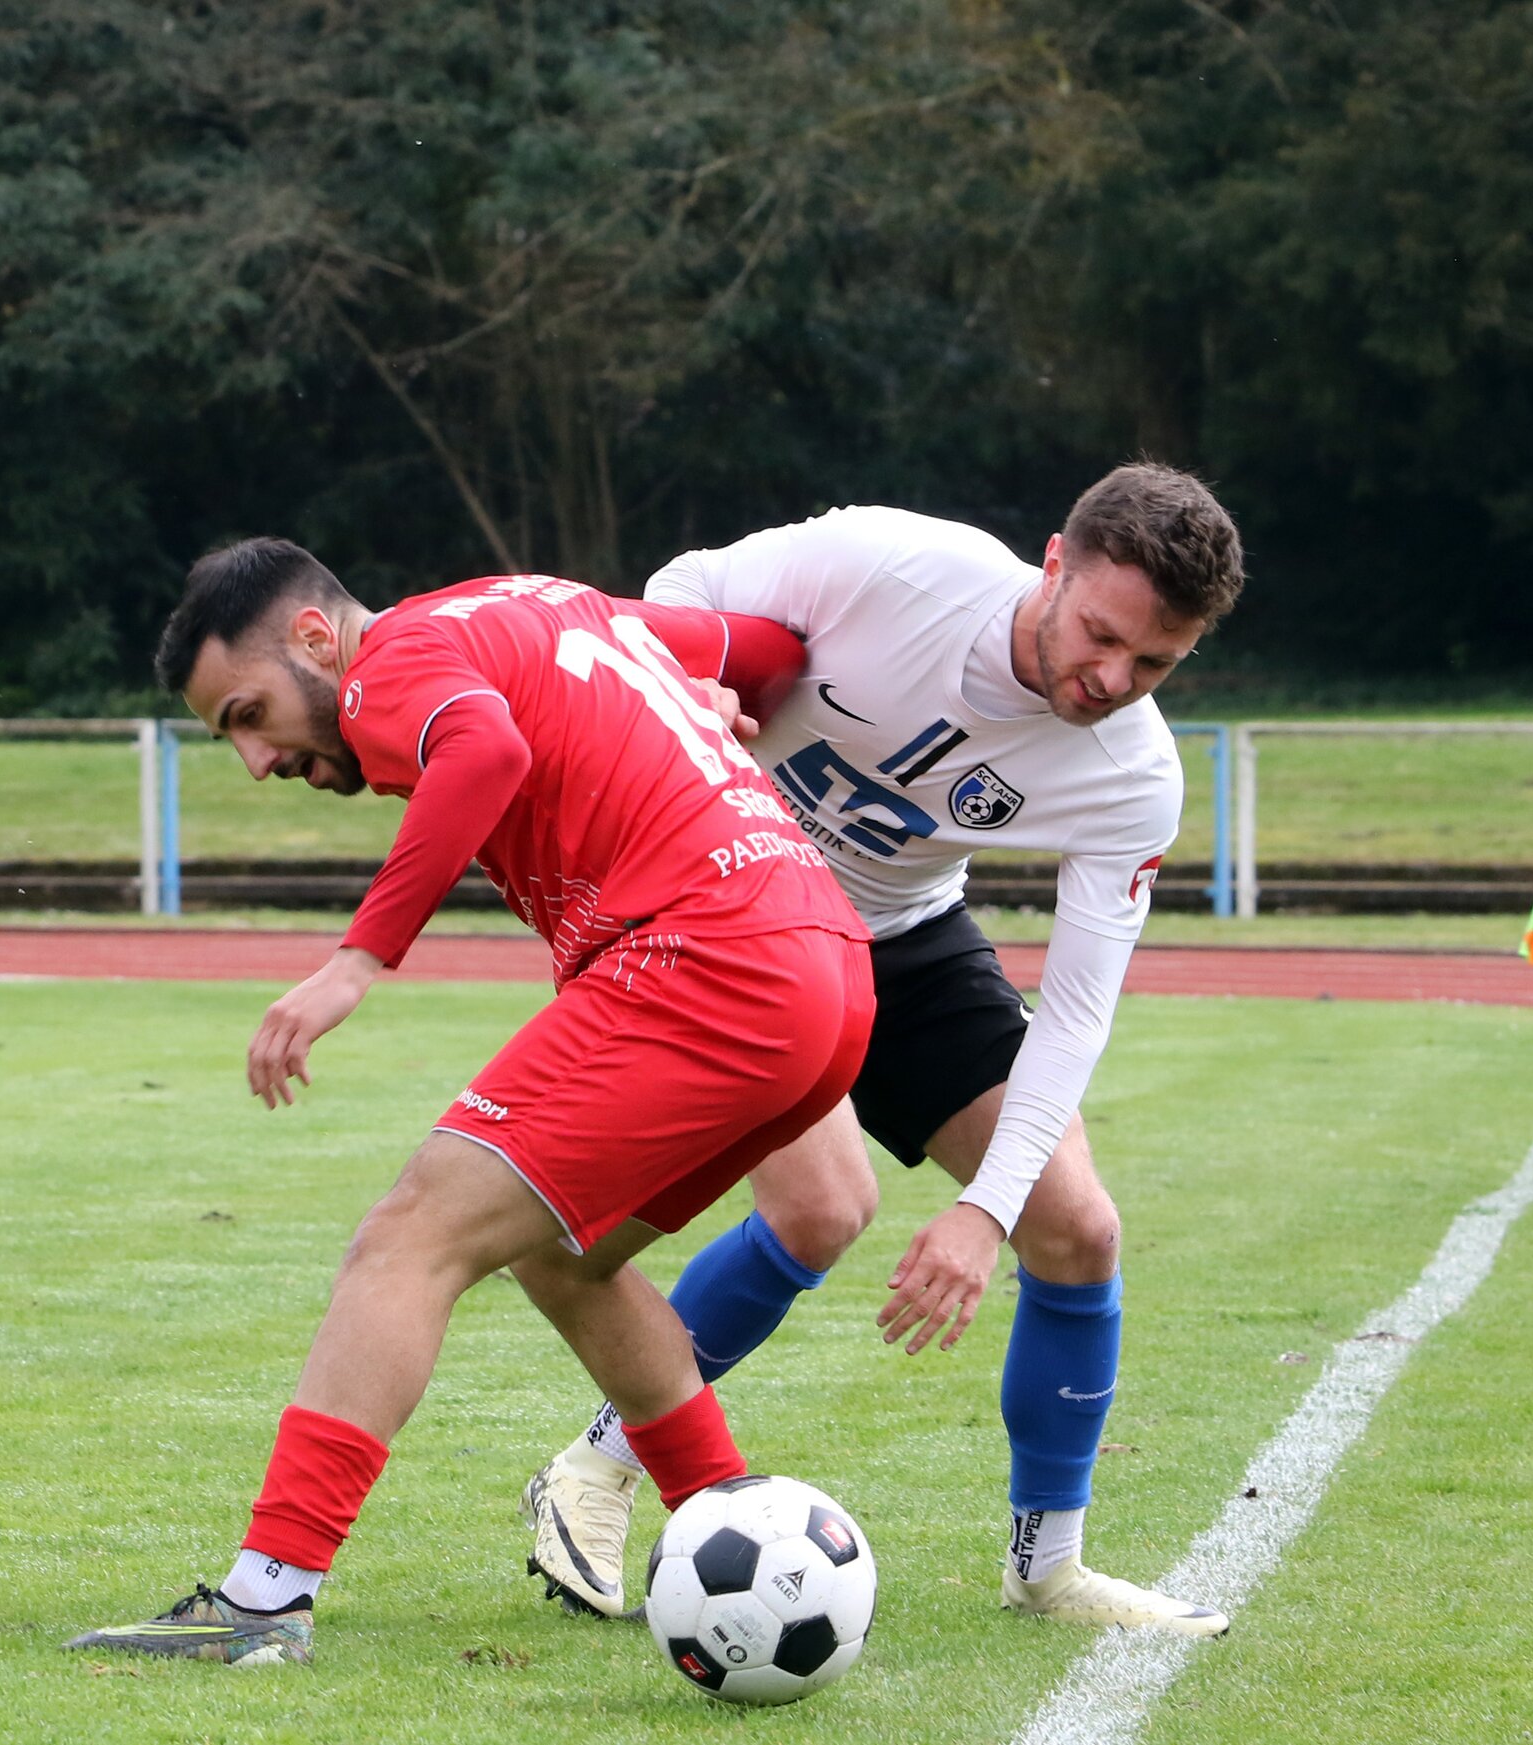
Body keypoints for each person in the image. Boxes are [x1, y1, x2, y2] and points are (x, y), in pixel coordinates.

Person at [65, 541, 873, 1663]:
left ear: (313, 634)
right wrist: (714, 699)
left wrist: (358, 959)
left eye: (248, 714)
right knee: (559, 1253)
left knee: (407, 1238)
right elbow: (770, 652)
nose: (254, 758)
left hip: (702, 957)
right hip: (828, 963)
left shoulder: (385, 658)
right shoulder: (544, 605)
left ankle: (263, 1600)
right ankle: (730, 1529)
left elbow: (482, 745)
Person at [523, 462, 1245, 1636]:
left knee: (1075, 1225)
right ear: (1052, 563)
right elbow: (676, 593)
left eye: (1154, 664)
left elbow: (1072, 1013)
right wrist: (689, 690)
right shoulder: (890, 561)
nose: (1110, 681)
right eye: (1101, 637)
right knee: (820, 1207)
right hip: (730, 907)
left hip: (902, 933)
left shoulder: (1133, 775)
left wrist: (985, 1211)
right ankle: (594, 1472)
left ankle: (1047, 1565)